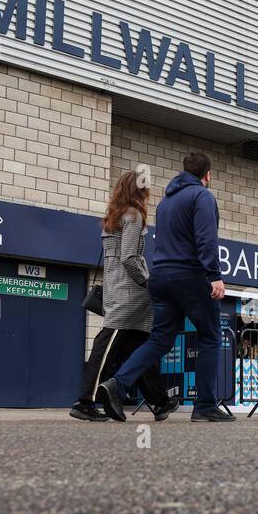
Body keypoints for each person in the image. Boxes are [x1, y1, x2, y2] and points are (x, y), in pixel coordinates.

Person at [99, 152, 231, 424]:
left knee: (160, 339)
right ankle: (205, 405)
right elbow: (206, 238)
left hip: (161, 276)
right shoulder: (202, 196)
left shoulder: (166, 201)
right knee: (209, 335)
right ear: (207, 175)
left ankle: (117, 384)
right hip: (190, 276)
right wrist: (214, 275)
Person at [71, 171, 176, 422]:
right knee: (106, 344)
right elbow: (129, 257)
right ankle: (86, 401)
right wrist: (148, 282)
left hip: (117, 289)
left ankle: (160, 401)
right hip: (130, 294)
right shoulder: (134, 216)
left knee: (137, 348)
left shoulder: (116, 216)